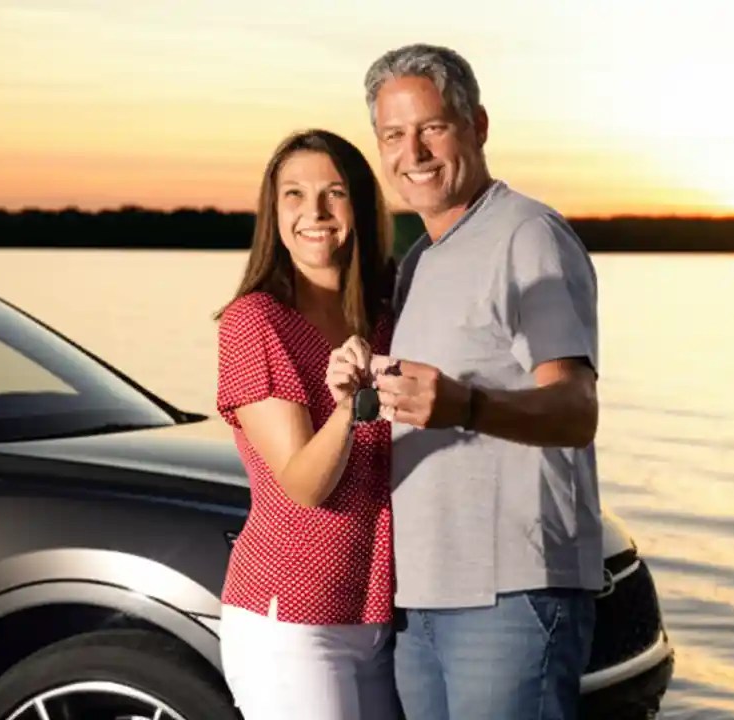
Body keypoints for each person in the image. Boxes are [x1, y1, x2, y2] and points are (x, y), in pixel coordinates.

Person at [360, 43, 604, 720]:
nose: (414, 152)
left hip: (512, 595)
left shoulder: (528, 235)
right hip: (421, 597)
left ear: (478, 125)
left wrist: (466, 405)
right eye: (393, 135)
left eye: (432, 127)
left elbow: (576, 409)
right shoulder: (419, 261)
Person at [212, 128, 400, 720]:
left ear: (362, 207)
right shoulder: (255, 324)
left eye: (333, 193)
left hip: (380, 615)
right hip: (292, 620)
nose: (313, 213)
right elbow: (303, 486)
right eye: (293, 195)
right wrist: (348, 405)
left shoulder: (388, 318)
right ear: (274, 213)